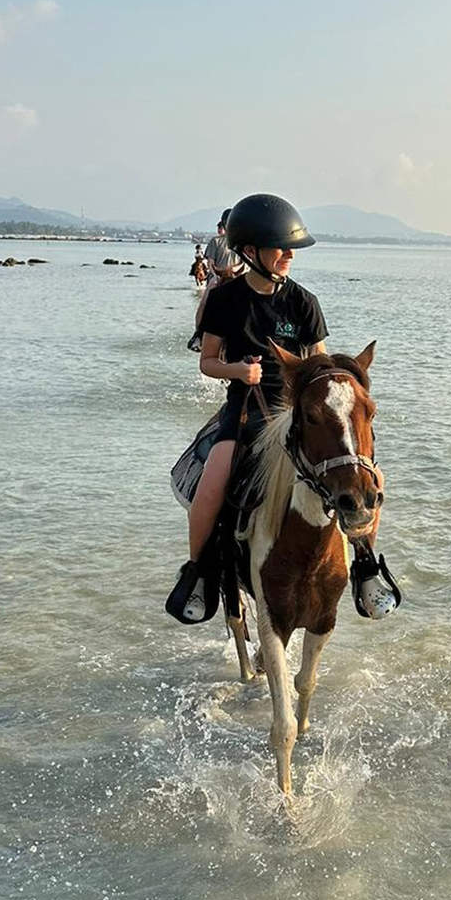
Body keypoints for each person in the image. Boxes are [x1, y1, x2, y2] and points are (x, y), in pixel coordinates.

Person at [167, 193, 327, 623]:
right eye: (281, 247)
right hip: (243, 413)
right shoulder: (225, 301)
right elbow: (207, 360)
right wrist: (237, 371)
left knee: (360, 473)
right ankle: (198, 573)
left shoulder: (304, 303)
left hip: (294, 416)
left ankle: (365, 563)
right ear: (251, 251)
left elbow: (319, 364)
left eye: (291, 247)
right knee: (212, 485)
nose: (289, 255)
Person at [187, 210, 244, 352]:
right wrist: (218, 275)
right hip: (217, 276)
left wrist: (233, 271)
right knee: (206, 299)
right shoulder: (216, 241)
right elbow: (211, 263)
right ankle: (199, 334)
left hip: (237, 275)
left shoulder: (243, 242)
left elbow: (245, 263)